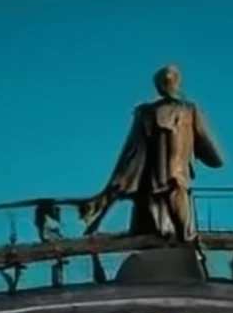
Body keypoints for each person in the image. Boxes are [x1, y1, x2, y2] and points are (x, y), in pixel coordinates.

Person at [80, 65, 225, 241]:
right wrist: (215, 159)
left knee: (160, 216)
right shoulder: (187, 109)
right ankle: (184, 239)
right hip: (174, 177)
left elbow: (132, 150)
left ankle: (177, 237)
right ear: (176, 84)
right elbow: (204, 141)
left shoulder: (148, 112)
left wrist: (119, 180)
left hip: (153, 178)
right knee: (179, 222)